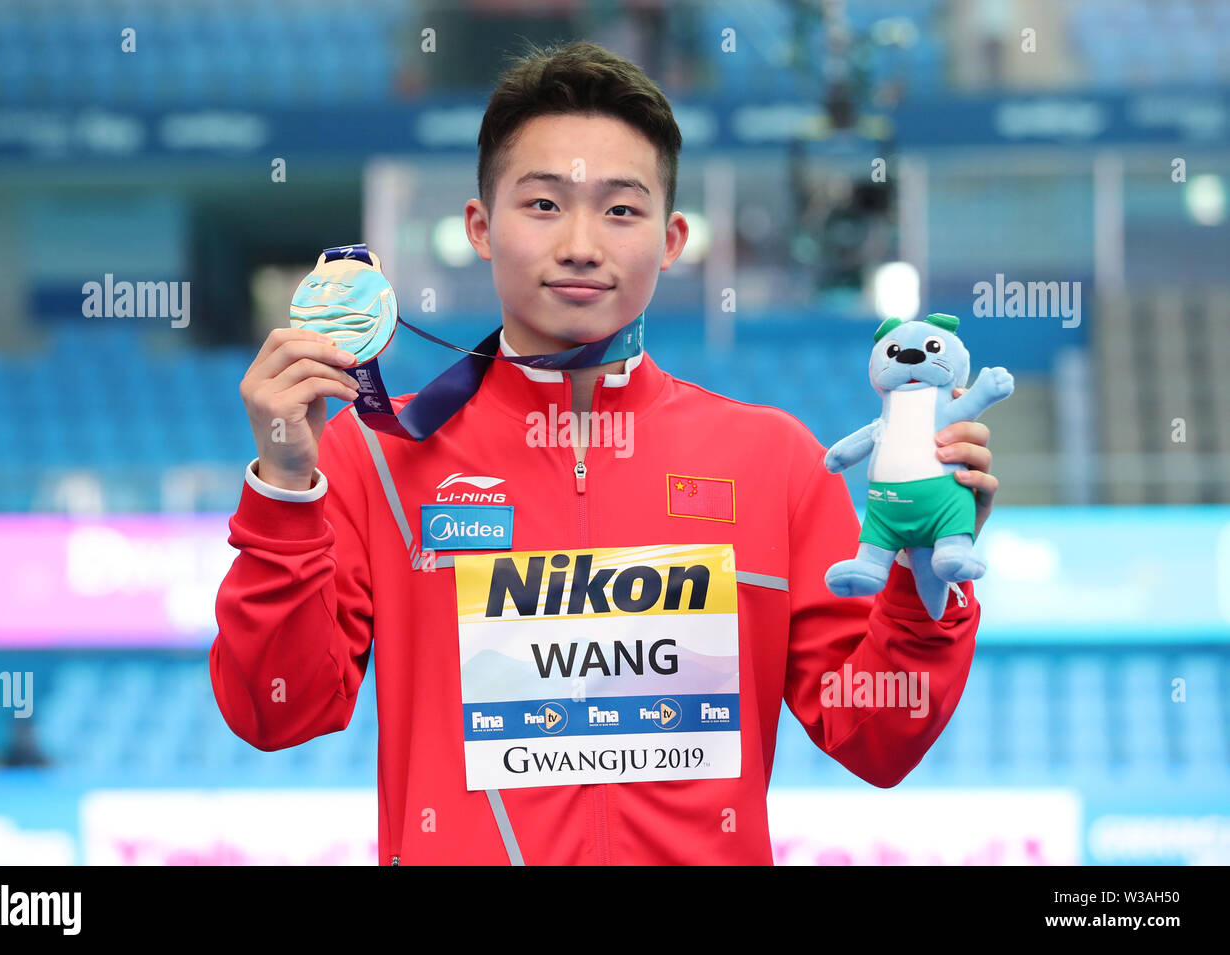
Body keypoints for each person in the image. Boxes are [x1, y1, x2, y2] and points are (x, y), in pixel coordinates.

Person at [210, 40, 998, 865]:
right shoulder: (375, 458)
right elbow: (277, 711)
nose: (582, 243)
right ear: (480, 226)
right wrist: (284, 487)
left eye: (621, 209)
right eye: (544, 204)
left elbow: (877, 737)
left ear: (671, 238)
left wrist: (919, 579)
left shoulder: (773, 461)